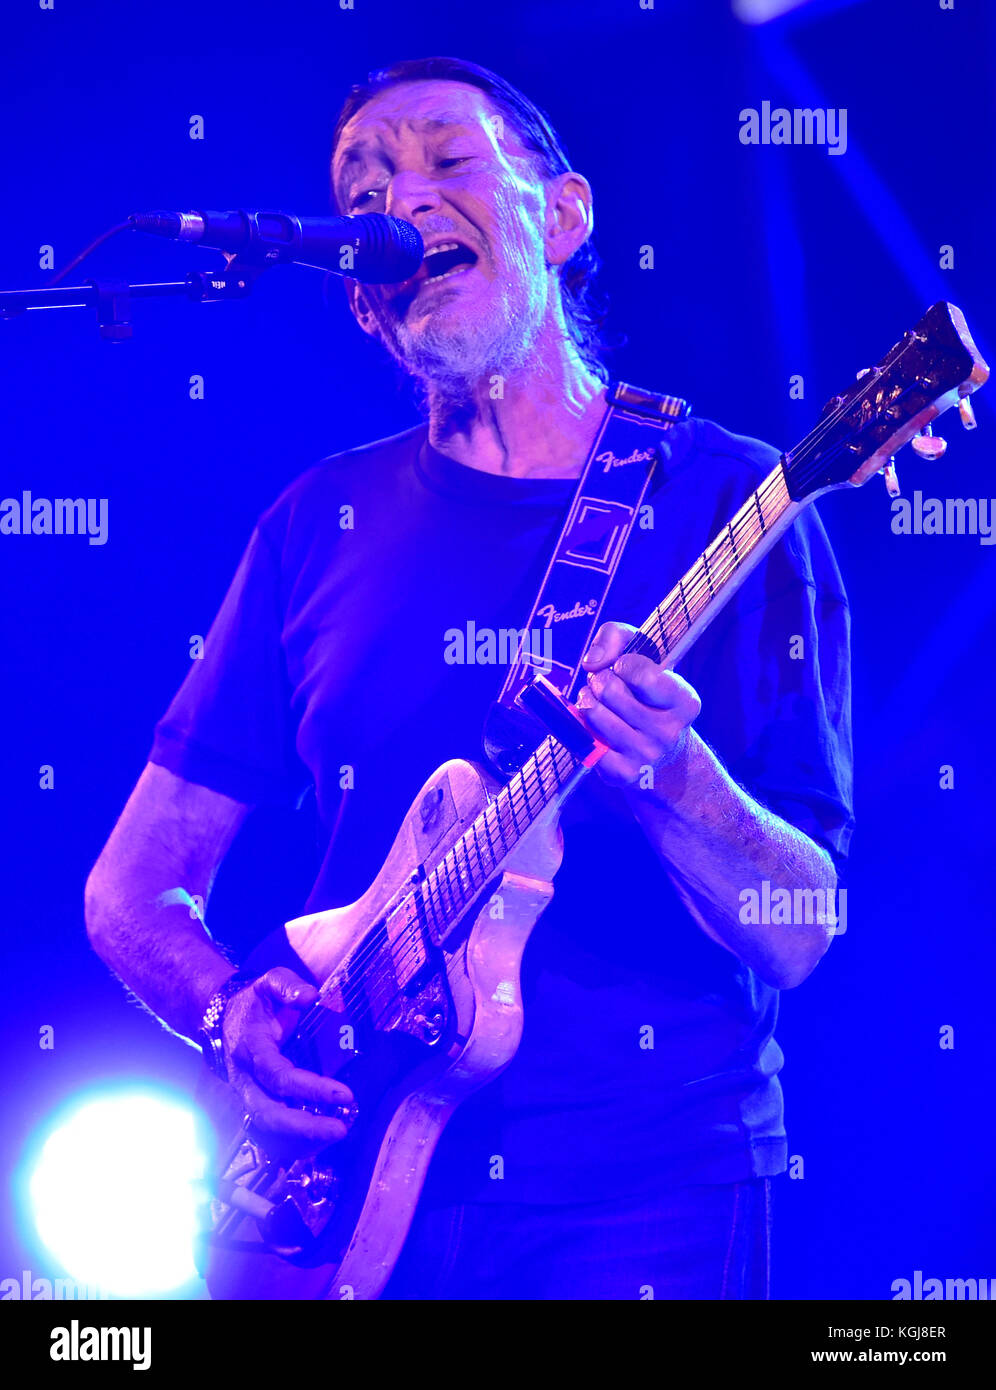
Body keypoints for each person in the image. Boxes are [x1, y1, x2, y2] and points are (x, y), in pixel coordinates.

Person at [84, 56, 853, 1301]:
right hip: (332, 1197)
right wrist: (233, 1015)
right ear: (360, 300)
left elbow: (805, 930)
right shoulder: (312, 522)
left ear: (561, 216)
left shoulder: (739, 502)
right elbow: (130, 888)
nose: (404, 198)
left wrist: (672, 776)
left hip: (643, 1202)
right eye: (367, 183)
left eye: (447, 159)